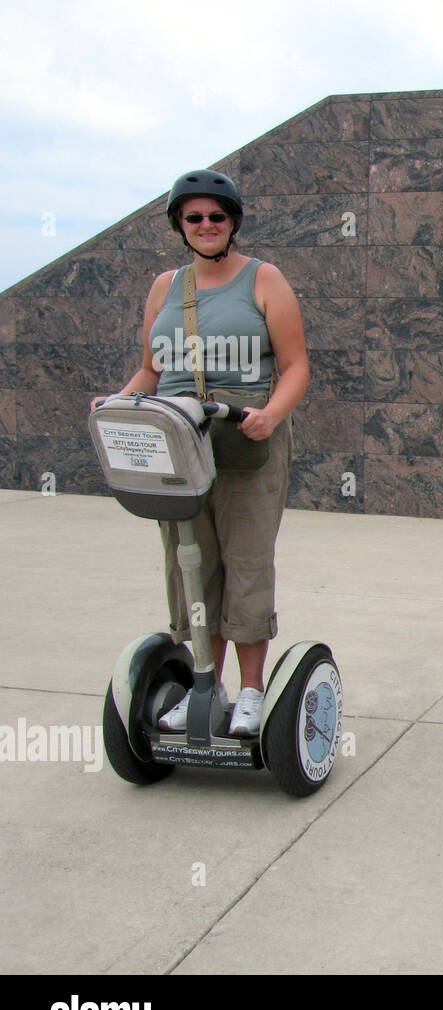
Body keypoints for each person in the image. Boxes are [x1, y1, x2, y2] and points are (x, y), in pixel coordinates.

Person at [92, 169, 309, 737]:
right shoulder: (165, 287)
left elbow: (296, 367)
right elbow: (150, 369)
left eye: (217, 216)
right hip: (177, 442)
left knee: (246, 565)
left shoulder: (265, 279)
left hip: (244, 440)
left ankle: (254, 694)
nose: (207, 225)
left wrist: (271, 414)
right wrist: (118, 401)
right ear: (180, 226)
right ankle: (204, 688)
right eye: (195, 217)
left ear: (232, 222)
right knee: (192, 565)